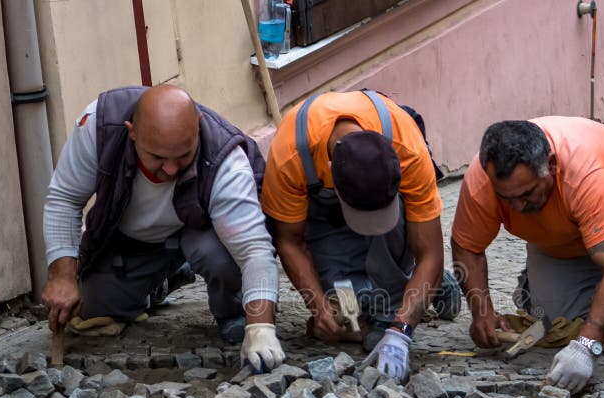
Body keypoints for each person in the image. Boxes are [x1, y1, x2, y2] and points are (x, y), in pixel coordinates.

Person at [42, 85, 285, 371]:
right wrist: (61, 276)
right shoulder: (99, 127)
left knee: (219, 256)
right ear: (132, 133)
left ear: (199, 127)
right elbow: (65, 199)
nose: (171, 170)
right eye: (157, 157)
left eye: (183, 155)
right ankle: (165, 280)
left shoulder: (226, 159)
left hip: (204, 232)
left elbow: (254, 250)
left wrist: (261, 329)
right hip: (136, 240)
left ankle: (233, 310)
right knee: (92, 306)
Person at [451, 118, 604, 393]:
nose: (517, 206)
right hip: (560, 236)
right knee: (559, 324)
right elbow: (468, 247)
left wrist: (587, 347)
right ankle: (539, 285)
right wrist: (481, 310)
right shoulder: (482, 180)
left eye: (526, 194)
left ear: (551, 165)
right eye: (506, 198)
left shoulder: (585, 172)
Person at [261, 90, 460, 379]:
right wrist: (318, 306)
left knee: (389, 295)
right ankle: (374, 314)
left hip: (396, 223)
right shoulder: (290, 153)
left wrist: (401, 330)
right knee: (345, 303)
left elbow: (430, 251)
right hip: (325, 217)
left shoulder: (408, 147)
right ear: (332, 175)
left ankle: (403, 299)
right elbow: (290, 242)